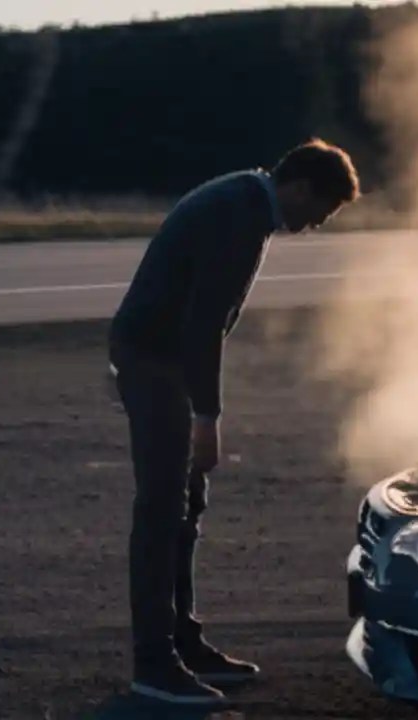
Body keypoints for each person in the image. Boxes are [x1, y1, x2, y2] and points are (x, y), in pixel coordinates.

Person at [107, 138, 361, 705]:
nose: (315, 225)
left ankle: (182, 639)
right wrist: (207, 417)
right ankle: (155, 665)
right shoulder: (241, 214)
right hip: (153, 358)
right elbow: (202, 325)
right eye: (320, 212)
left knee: (186, 503)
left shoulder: (245, 199)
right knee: (160, 510)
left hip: (162, 356)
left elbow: (204, 322)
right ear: (298, 187)